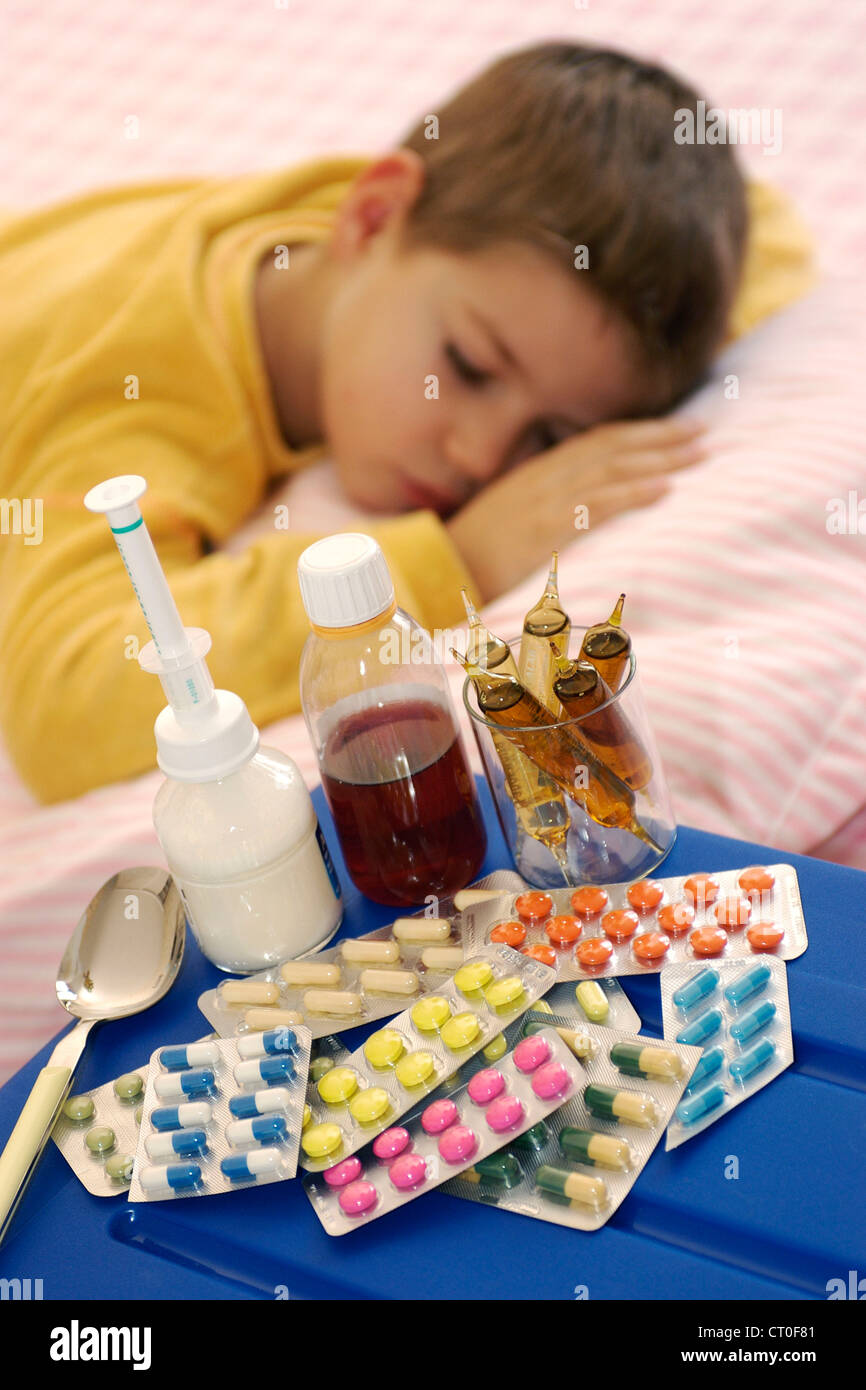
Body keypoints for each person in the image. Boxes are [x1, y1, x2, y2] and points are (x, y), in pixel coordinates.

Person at [0, 42, 813, 803]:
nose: (481, 456)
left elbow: (765, 231)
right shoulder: (144, 389)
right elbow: (65, 698)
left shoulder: (433, 222)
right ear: (372, 214)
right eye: (468, 366)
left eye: (552, 438)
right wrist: (455, 556)